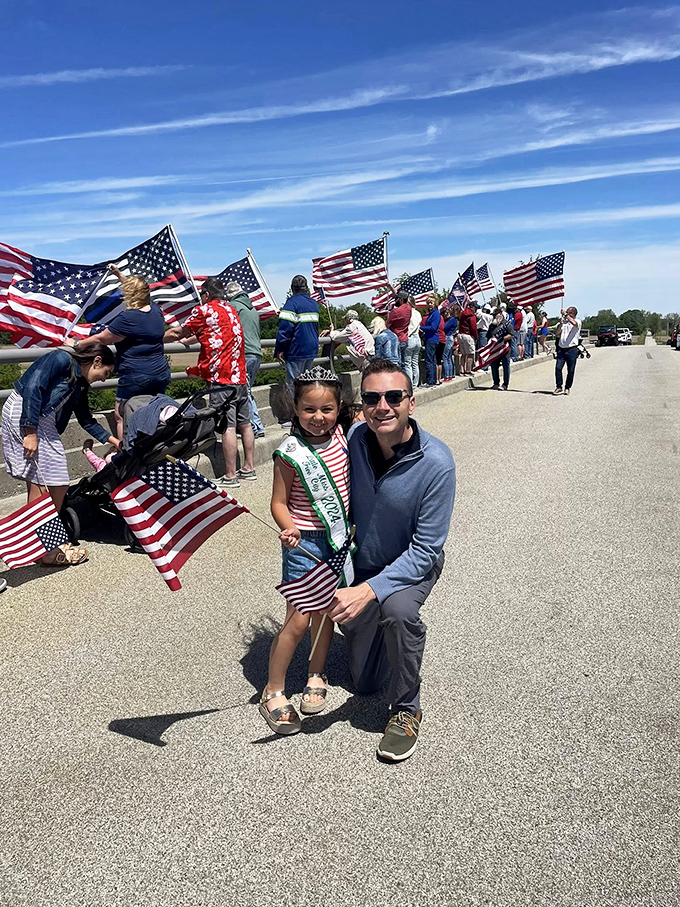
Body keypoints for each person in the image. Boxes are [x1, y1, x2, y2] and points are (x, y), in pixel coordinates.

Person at [326, 358, 456, 762]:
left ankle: (406, 709)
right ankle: (380, 638)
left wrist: (368, 591)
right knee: (364, 683)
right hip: (364, 560)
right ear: (362, 404)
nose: (383, 406)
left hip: (411, 565)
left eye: (393, 397)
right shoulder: (355, 439)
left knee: (398, 613)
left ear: (411, 403)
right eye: (372, 397)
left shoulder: (437, 463)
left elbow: (426, 550)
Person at [260, 367, 352, 735]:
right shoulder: (289, 453)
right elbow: (278, 502)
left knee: (327, 612)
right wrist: (288, 526)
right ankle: (273, 689)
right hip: (304, 542)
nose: (318, 418)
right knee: (298, 618)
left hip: (338, 539)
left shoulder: (345, 437)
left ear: (339, 407)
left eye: (326, 409)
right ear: (295, 409)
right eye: (309, 410)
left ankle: (316, 672)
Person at [1, 343, 118, 565]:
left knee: (58, 482)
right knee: (39, 482)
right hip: (26, 414)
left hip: (43, 422)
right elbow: (33, 388)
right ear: (97, 361)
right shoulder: (60, 359)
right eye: (107, 372)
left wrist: (113, 441)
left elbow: (85, 418)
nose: (104, 378)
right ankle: (46, 548)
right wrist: (30, 431)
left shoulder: (80, 384)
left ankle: (43, 540)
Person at [163, 277, 255, 488]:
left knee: (227, 427)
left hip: (221, 379)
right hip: (240, 376)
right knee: (245, 423)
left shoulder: (204, 311)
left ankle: (231, 475)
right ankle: (249, 468)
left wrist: (157, 339)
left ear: (205, 295)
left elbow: (179, 332)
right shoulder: (232, 310)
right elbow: (213, 334)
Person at [72, 265, 171, 439]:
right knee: (154, 411)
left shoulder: (128, 319)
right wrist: (119, 274)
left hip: (136, 375)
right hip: (161, 373)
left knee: (122, 414)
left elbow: (102, 338)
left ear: (131, 295)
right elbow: (136, 290)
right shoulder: (156, 311)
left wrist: (77, 344)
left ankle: (126, 453)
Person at [225, 280, 265, 439]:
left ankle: (256, 426)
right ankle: (253, 426)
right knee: (246, 391)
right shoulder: (252, 308)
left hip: (243, 354)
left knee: (244, 392)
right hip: (256, 353)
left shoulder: (234, 307)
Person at [274, 275, 319, 390]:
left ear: (293, 289)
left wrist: (280, 349)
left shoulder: (291, 303)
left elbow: (285, 328)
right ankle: (306, 406)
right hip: (312, 348)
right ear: (306, 288)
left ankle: (294, 407)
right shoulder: (314, 304)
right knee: (307, 383)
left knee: (293, 384)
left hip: (296, 348)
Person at [554, 306, 582, 396]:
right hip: (561, 349)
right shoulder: (564, 322)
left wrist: (565, 315)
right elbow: (557, 333)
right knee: (558, 368)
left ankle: (567, 387)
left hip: (572, 349)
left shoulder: (577, 321)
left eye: (568, 312)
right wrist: (560, 324)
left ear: (572, 314)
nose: (566, 313)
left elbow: (574, 323)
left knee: (570, 370)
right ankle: (559, 386)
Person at [487, 307, 515, 390]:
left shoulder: (507, 324)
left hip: (504, 349)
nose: (494, 317)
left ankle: (505, 384)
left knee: (506, 366)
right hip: (494, 349)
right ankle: (496, 383)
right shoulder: (492, 325)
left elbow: (511, 335)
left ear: (500, 314)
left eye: (495, 315)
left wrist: (502, 339)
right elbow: (488, 336)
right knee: (494, 366)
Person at [386, 291, 412, 371]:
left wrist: (390, 313)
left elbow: (387, 325)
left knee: (398, 364)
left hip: (396, 339)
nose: (395, 300)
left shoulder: (396, 312)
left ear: (401, 299)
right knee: (405, 363)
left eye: (396, 299)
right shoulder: (409, 308)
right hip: (405, 339)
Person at [421, 296, 441, 386]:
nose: (429, 304)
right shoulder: (431, 314)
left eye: (431, 303)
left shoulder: (436, 314)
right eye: (428, 303)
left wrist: (421, 328)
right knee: (432, 360)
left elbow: (433, 327)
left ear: (435, 303)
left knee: (430, 360)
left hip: (432, 339)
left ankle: (430, 381)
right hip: (430, 338)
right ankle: (432, 380)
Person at [404, 298, 422, 388]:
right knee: (415, 362)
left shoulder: (408, 313)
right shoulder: (418, 313)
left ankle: (410, 384)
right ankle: (415, 383)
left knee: (407, 363)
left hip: (410, 337)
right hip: (417, 338)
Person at [457, 299, 479, 376]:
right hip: (468, 335)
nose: (476, 310)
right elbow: (473, 328)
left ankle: (461, 369)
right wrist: (476, 337)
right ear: (472, 307)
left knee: (463, 354)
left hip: (460, 334)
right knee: (470, 354)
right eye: (475, 308)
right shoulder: (472, 316)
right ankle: (468, 370)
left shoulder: (462, 314)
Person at [442, 305, 459, 381]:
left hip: (448, 337)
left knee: (445, 357)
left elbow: (444, 327)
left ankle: (447, 375)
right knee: (449, 357)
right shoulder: (454, 319)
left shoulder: (452, 320)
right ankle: (451, 374)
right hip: (450, 337)